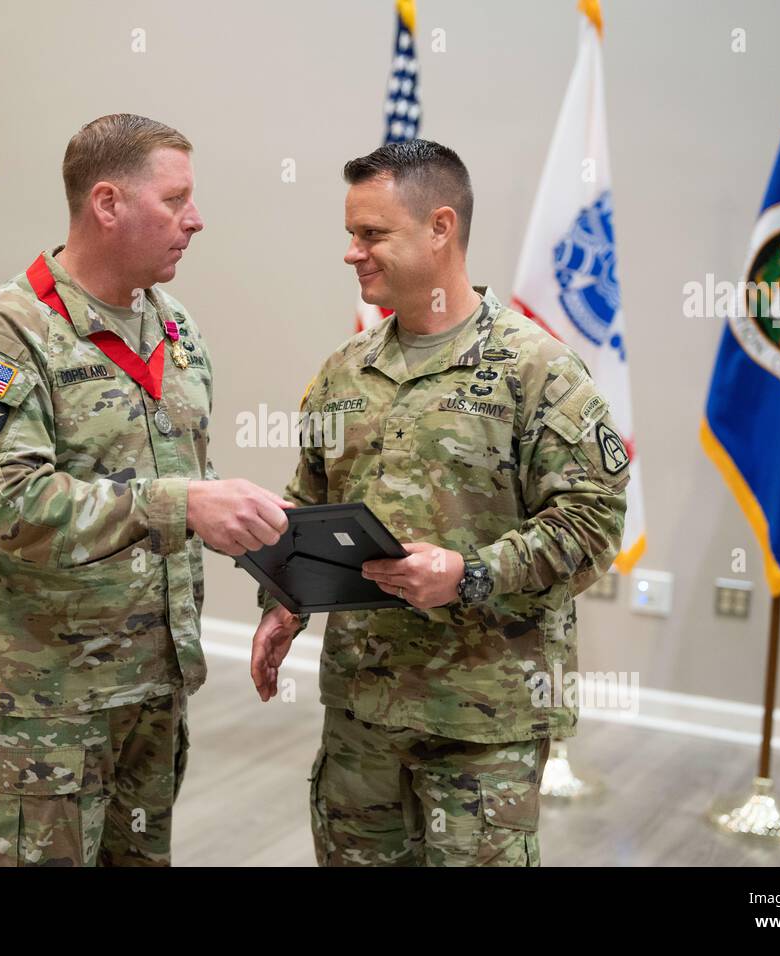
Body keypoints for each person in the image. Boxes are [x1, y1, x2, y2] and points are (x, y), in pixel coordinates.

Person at [250, 140, 629, 866]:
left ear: (440, 227)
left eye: (371, 234)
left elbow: (590, 526)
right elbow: (308, 507)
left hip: (482, 718)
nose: (352, 253)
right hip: (362, 713)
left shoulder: (537, 371)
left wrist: (468, 574)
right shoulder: (344, 372)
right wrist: (284, 604)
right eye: (350, 235)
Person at [0, 113, 290, 866]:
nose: (195, 220)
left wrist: (282, 548)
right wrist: (181, 503)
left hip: (152, 689)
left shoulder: (176, 330)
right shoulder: (5, 333)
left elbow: (191, 484)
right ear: (107, 204)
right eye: (176, 200)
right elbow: (9, 506)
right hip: (47, 701)